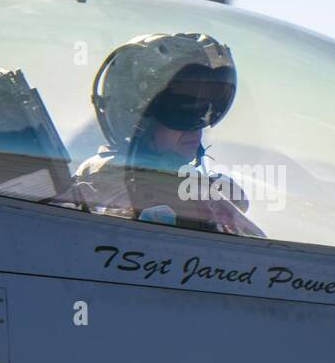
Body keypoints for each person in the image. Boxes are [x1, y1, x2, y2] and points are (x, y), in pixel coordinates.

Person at [72, 32, 264, 237]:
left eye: (207, 110)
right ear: (138, 118)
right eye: (185, 109)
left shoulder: (191, 186)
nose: (198, 125)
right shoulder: (107, 180)